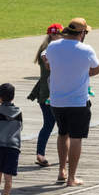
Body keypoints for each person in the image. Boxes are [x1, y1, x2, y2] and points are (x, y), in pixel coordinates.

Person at [42, 16, 99, 186]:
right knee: (76, 138)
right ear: (82, 33)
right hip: (78, 101)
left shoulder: (52, 46)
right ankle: (71, 178)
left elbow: (46, 61)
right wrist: (81, 73)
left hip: (57, 100)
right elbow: (97, 69)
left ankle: (61, 170)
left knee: (62, 133)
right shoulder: (86, 50)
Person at [26, 23, 64, 169]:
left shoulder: (45, 49)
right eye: (59, 34)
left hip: (44, 93)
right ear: (55, 35)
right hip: (52, 93)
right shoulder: (50, 51)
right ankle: (55, 154)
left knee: (49, 124)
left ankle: (41, 153)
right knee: (57, 125)